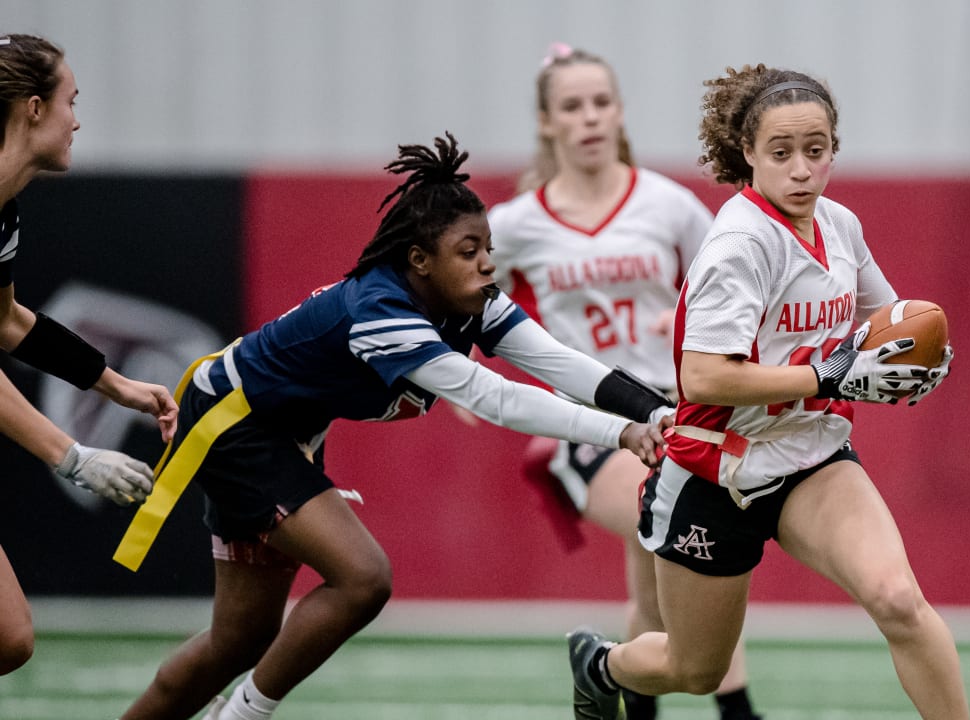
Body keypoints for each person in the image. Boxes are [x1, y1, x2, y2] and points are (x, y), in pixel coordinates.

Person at [115, 134, 672, 720]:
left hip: (278, 430)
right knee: (363, 578)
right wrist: (620, 433)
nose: (487, 262)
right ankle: (241, 717)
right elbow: (496, 397)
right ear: (419, 261)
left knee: (238, 642)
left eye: (488, 246)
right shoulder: (381, 312)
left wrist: (653, 411)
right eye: (467, 249)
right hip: (238, 429)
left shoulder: (469, 298)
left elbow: (559, 362)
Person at [565, 64, 968, 720]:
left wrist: (918, 359)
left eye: (817, 150)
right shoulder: (739, 244)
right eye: (782, 153)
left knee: (898, 601)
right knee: (696, 671)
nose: (802, 169)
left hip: (810, 455)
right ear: (748, 152)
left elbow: (888, 320)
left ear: (834, 149)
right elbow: (704, 378)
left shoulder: (839, 226)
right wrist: (828, 376)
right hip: (714, 469)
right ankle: (601, 664)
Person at [487, 44, 761, 720]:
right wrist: (447, 375)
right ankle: (740, 713)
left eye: (600, 103)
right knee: (676, 513)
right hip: (590, 424)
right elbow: (445, 295)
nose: (589, 118)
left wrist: (694, 317)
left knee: (656, 585)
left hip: (678, 412)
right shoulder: (515, 223)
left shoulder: (666, 204)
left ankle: (622, 695)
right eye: (572, 107)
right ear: (547, 122)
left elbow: (736, 288)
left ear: (620, 112)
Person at [0, 32, 178, 676]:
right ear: (33, 108)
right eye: (71, 100)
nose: (78, 118)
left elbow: (8, 322)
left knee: (7, 637)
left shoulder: (2, 212)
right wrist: (71, 456)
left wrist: (116, 386)